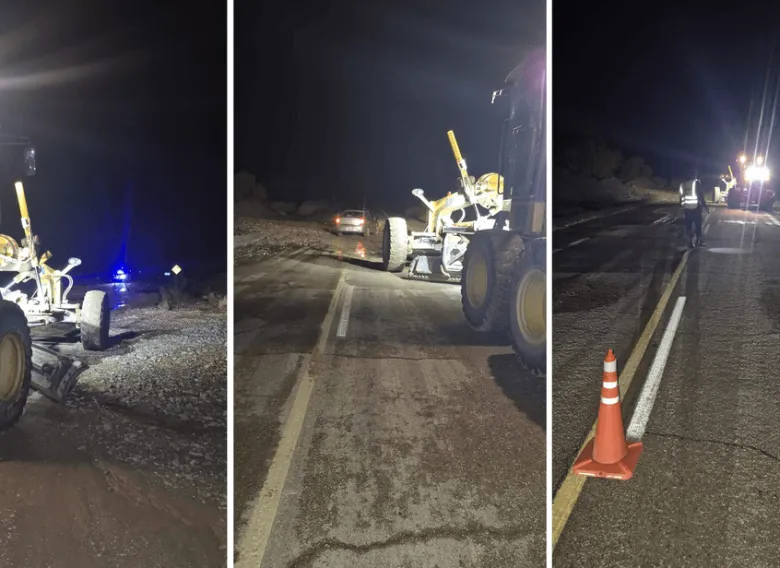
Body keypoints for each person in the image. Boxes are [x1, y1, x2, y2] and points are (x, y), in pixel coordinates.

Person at [679, 170, 709, 247]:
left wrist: (684, 207)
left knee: (688, 226)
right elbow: (700, 196)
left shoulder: (682, 185)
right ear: (694, 175)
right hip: (695, 208)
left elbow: (681, 198)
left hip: (687, 209)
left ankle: (689, 242)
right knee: (698, 225)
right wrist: (705, 206)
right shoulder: (696, 183)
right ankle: (699, 241)